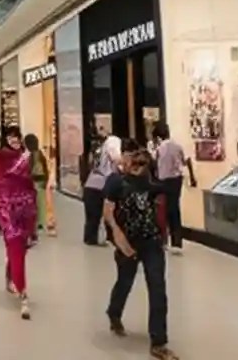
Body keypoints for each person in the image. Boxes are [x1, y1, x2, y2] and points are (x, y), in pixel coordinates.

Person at [104, 148, 175, 359]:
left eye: (144, 165)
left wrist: (165, 235)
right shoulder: (116, 183)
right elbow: (108, 213)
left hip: (151, 241)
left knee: (157, 287)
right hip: (128, 241)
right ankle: (114, 312)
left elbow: (162, 211)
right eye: (136, 164)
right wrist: (118, 237)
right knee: (125, 281)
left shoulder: (154, 187)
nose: (139, 168)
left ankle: (158, 341)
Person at [0, 125, 38, 320]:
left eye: (17, 137)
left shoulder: (26, 157)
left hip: (25, 209)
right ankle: (23, 293)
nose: (14, 140)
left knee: (19, 249)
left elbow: (33, 180)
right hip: (7, 209)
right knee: (16, 246)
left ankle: (11, 277)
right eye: (10, 137)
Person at [150, 123, 195, 254]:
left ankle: (163, 239)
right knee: (174, 209)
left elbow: (154, 164)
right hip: (176, 180)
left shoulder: (159, 148)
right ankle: (177, 241)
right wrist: (192, 177)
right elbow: (187, 161)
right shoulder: (178, 145)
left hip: (163, 181)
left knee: (162, 209)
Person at [84, 135, 123, 246]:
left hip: (90, 183)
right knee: (106, 213)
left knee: (92, 216)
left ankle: (90, 238)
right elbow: (116, 158)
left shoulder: (99, 151)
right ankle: (107, 238)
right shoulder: (111, 144)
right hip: (100, 185)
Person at [24, 134, 56, 240]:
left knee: (36, 204)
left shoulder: (32, 155)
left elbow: (30, 170)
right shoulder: (40, 154)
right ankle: (42, 223)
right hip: (41, 181)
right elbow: (46, 168)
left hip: (35, 181)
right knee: (42, 203)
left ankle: (38, 224)